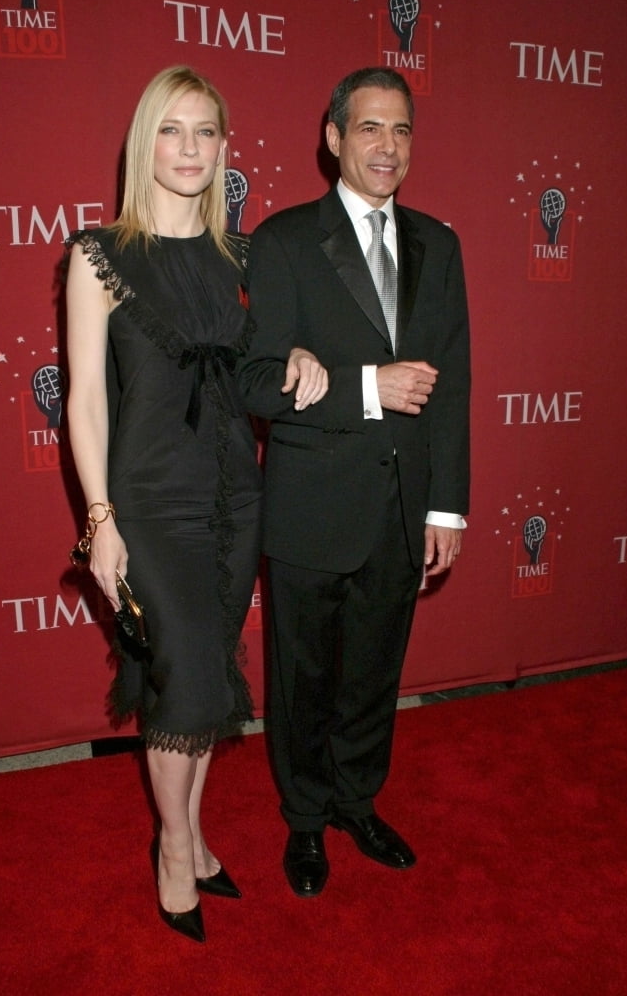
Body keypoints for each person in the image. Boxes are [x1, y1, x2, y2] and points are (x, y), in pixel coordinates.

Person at [64, 65, 328, 942]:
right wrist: (99, 521)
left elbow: (259, 369)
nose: (189, 149)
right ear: (147, 141)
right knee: (180, 679)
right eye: (172, 130)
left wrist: (299, 360)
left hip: (231, 495)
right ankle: (175, 846)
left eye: (205, 132)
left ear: (223, 147)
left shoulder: (241, 256)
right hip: (146, 498)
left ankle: (196, 834)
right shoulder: (98, 254)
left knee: (209, 677)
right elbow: (86, 402)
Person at [236, 66, 471, 897]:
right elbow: (259, 381)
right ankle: (304, 821)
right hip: (310, 507)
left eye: (402, 130)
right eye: (370, 128)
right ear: (333, 138)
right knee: (301, 679)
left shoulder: (439, 246)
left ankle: (356, 800)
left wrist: (446, 504)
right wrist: (367, 384)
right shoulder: (283, 240)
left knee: (375, 671)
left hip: (403, 507)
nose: (388, 146)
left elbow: (453, 385)